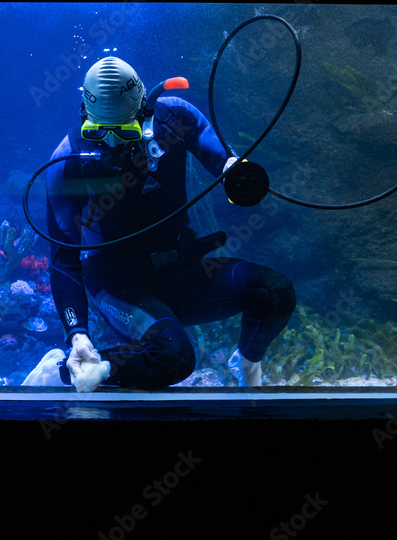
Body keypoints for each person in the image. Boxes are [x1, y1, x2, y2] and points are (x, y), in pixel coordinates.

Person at [22, 57, 295, 392]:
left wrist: (236, 171)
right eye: (98, 132)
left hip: (183, 268)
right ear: (84, 114)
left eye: (123, 131)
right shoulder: (68, 161)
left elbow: (223, 163)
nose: (110, 143)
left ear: (143, 113)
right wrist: (77, 334)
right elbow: (63, 261)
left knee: (274, 291)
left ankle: (248, 363)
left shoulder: (173, 118)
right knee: (174, 358)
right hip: (120, 287)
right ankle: (63, 371)